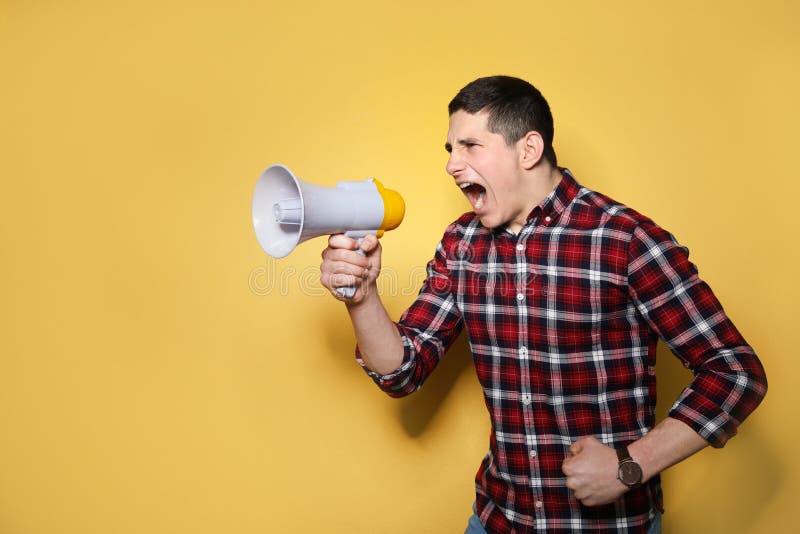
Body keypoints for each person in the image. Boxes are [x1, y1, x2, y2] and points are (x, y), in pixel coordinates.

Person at [319, 75, 767, 534]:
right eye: (450, 149)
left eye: (470, 146)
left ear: (528, 149)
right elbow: (402, 370)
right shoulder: (461, 244)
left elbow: (735, 372)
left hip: (608, 528)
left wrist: (628, 465)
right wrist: (361, 296)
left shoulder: (624, 239)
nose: (453, 165)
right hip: (499, 520)